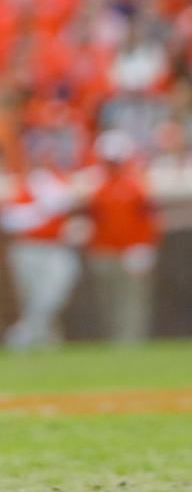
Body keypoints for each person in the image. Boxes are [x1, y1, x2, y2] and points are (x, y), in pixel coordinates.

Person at [85, 131, 159, 343]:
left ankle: (131, 341)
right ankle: (111, 340)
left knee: (132, 300)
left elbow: (149, 219)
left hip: (130, 252)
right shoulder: (97, 185)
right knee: (106, 300)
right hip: (104, 251)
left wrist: (145, 247)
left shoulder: (136, 185)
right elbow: (94, 218)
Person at [0, 160, 81, 349]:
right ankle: (46, 339)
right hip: (28, 248)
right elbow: (10, 220)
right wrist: (41, 211)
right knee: (32, 297)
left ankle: (23, 333)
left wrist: (41, 210)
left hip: (55, 248)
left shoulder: (58, 184)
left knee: (53, 294)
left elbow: (67, 203)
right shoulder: (23, 190)